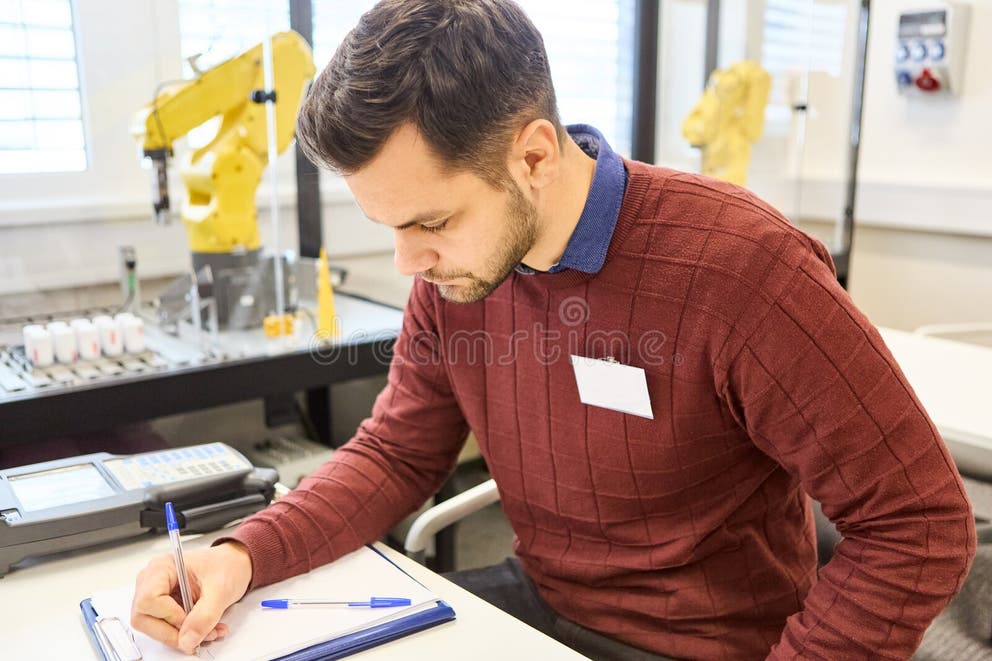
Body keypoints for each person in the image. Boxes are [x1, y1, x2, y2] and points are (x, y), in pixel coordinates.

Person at [130, 1, 977, 658]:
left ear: (534, 157)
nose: (405, 263)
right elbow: (396, 452)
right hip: (542, 608)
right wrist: (241, 554)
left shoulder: (741, 266)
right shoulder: (458, 274)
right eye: (388, 227)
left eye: (430, 221)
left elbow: (917, 522)